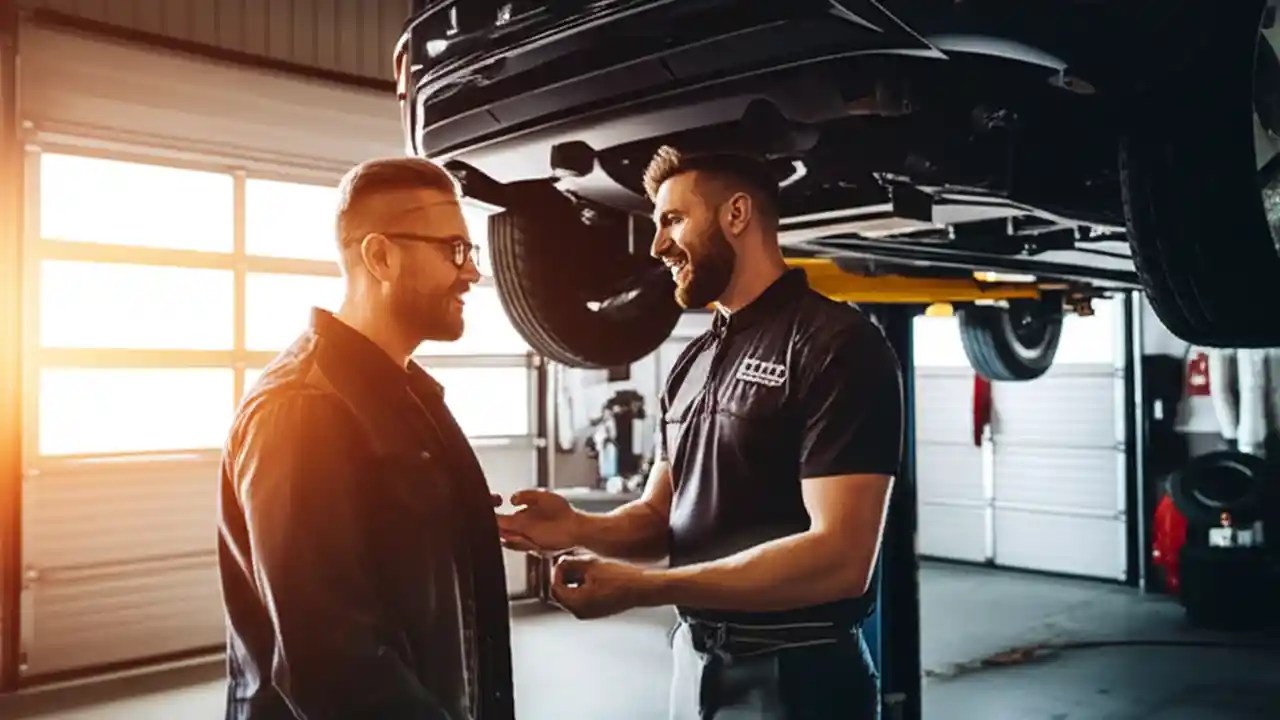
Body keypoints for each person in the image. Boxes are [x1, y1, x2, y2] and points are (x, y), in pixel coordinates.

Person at [499, 146, 904, 719]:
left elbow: (841, 557)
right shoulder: (693, 362)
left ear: (736, 215)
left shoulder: (836, 345)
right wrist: (575, 526)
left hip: (798, 674)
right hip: (695, 664)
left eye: (672, 220)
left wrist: (648, 589)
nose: (656, 246)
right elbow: (659, 518)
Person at [217, 157, 514, 720]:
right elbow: (330, 665)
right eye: (455, 249)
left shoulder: (403, 396)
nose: (472, 272)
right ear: (380, 256)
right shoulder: (303, 410)